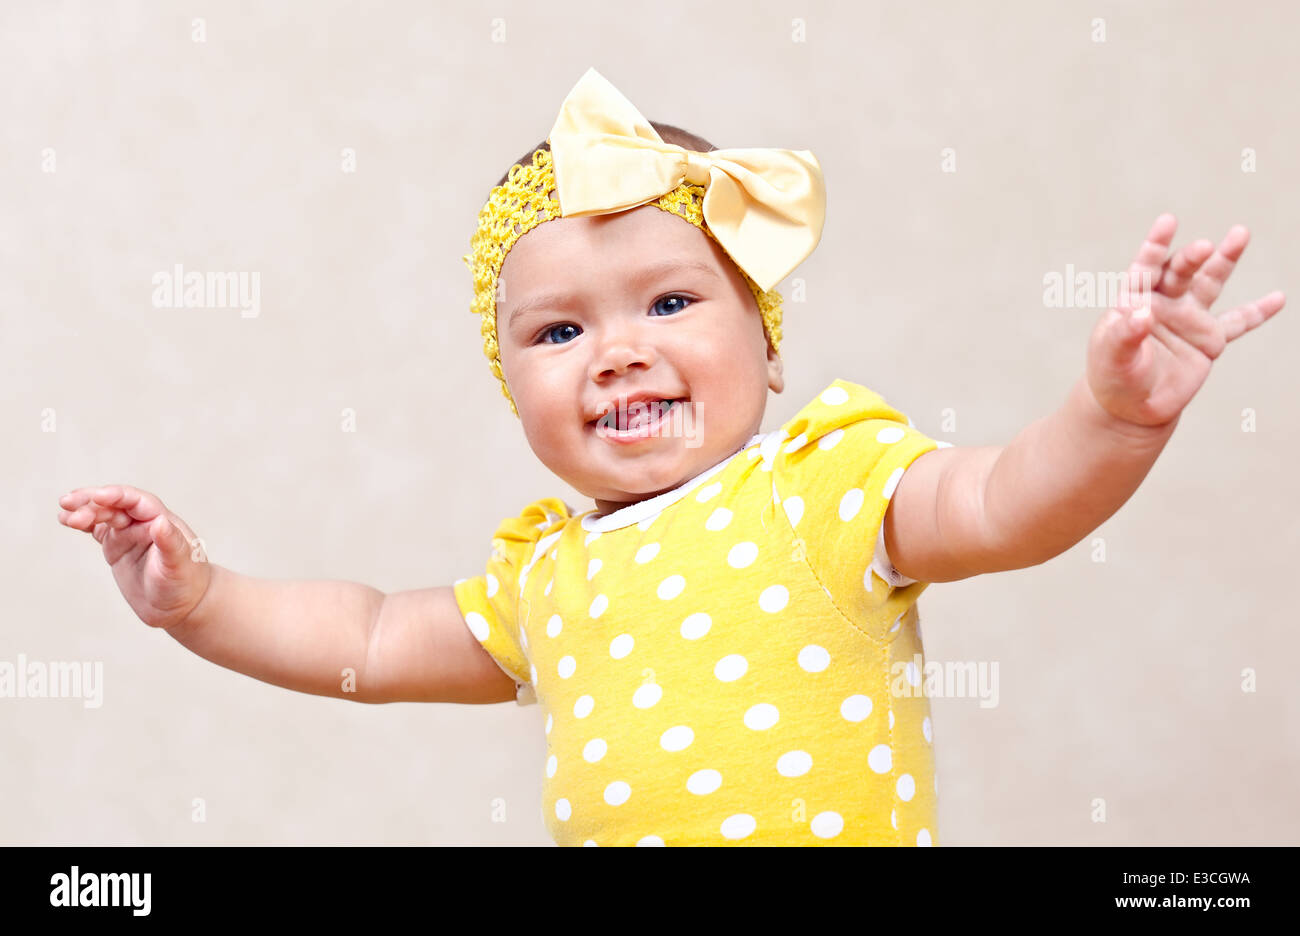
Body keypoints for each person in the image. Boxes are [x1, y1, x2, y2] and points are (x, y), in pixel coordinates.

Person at [57, 67, 1286, 847]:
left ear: (765, 338)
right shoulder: (547, 576)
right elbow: (368, 641)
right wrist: (200, 604)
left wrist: (1112, 418)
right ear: (513, 387)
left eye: (667, 305)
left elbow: (1002, 501)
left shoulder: (818, 487)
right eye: (558, 330)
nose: (614, 354)